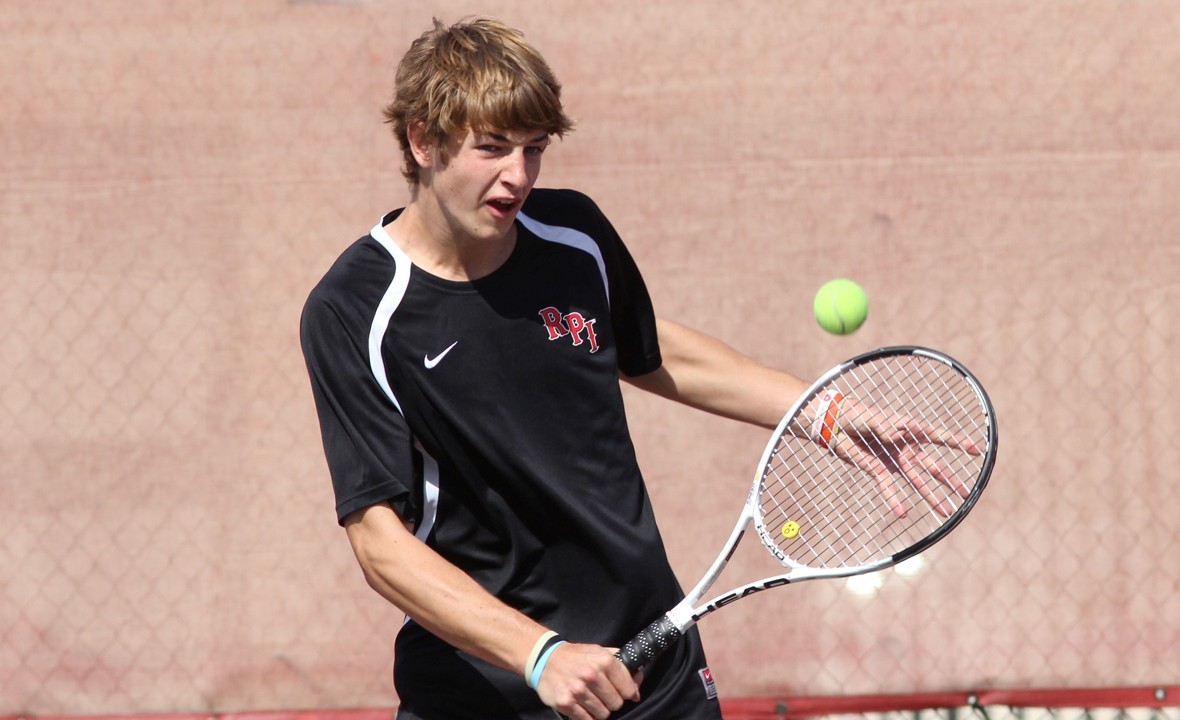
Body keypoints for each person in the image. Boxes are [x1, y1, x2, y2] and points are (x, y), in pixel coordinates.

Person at [300, 16, 952, 720]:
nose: (517, 176)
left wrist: (820, 413)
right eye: (491, 149)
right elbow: (379, 543)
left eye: (533, 149)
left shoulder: (572, 236)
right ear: (422, 140)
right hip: (487, 686)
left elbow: (647, 348)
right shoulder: (354, 311)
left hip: (654, 661)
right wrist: (538, 653)